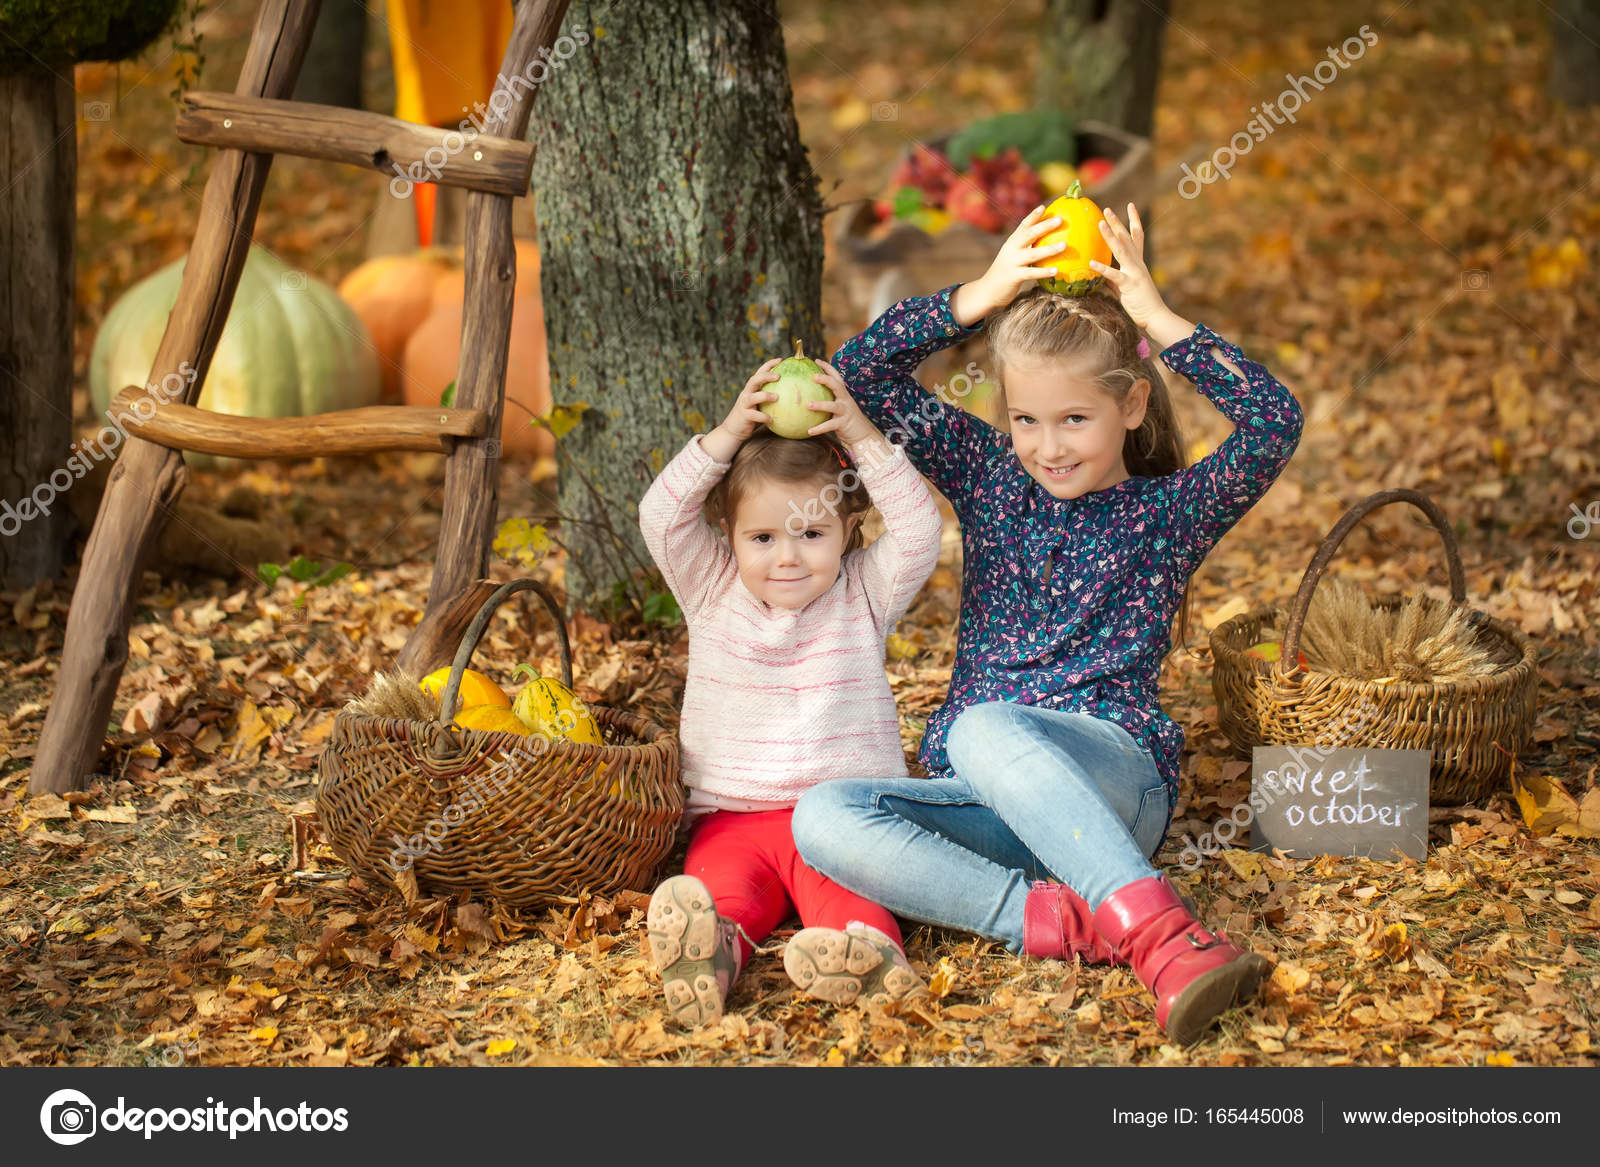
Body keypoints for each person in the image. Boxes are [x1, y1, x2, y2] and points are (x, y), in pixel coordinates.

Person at [791, 202, 1305, 1044]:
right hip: (991, 806)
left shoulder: (1168, 512)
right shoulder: (992, 479)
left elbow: (1272, 421)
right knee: (823, 816)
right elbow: (863, 378)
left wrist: (1156, 317)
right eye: (1026, 419)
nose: (1047, 445)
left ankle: (1167, 938)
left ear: (1133, 406)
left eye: (1074, 419)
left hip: (1113, 786)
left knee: (988, 726)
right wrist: (980, 296)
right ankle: (1067, 925)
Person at [636, 356, 945, 1026]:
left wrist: (861, 435)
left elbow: (921, 532)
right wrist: (724, 437)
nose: (787, 556)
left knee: (849, 898)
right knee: (724, 895)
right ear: (728, 536)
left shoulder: (863, 593)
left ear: (846, 532)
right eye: (763, 536)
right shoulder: (711, 588)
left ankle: (869, 958)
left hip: (839, 821)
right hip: (733, 819)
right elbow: (660, 517)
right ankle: (709, 959)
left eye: (811, 533)